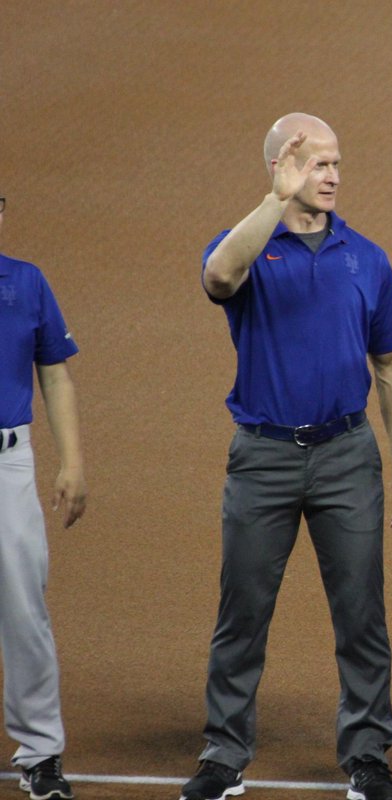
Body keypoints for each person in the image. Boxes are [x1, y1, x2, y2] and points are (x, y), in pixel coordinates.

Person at [181, 113, 392, 800]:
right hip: (264, 456)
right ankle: (224, 755)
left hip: (348, 454)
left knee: (360, 612)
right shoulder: (251, 248)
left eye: (336, 163)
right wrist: (274, 202)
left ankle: (368, 755)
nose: (334, 175)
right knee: (244, 609)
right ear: (281, 169)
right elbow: (220, 275)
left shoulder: (364, 256)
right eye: (317, 164)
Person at [0, 193, 87, 800]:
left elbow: (54, 372)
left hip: (8, 463)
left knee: (24, 609)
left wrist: (72, 460)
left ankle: (40, 754)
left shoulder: (26, 282)